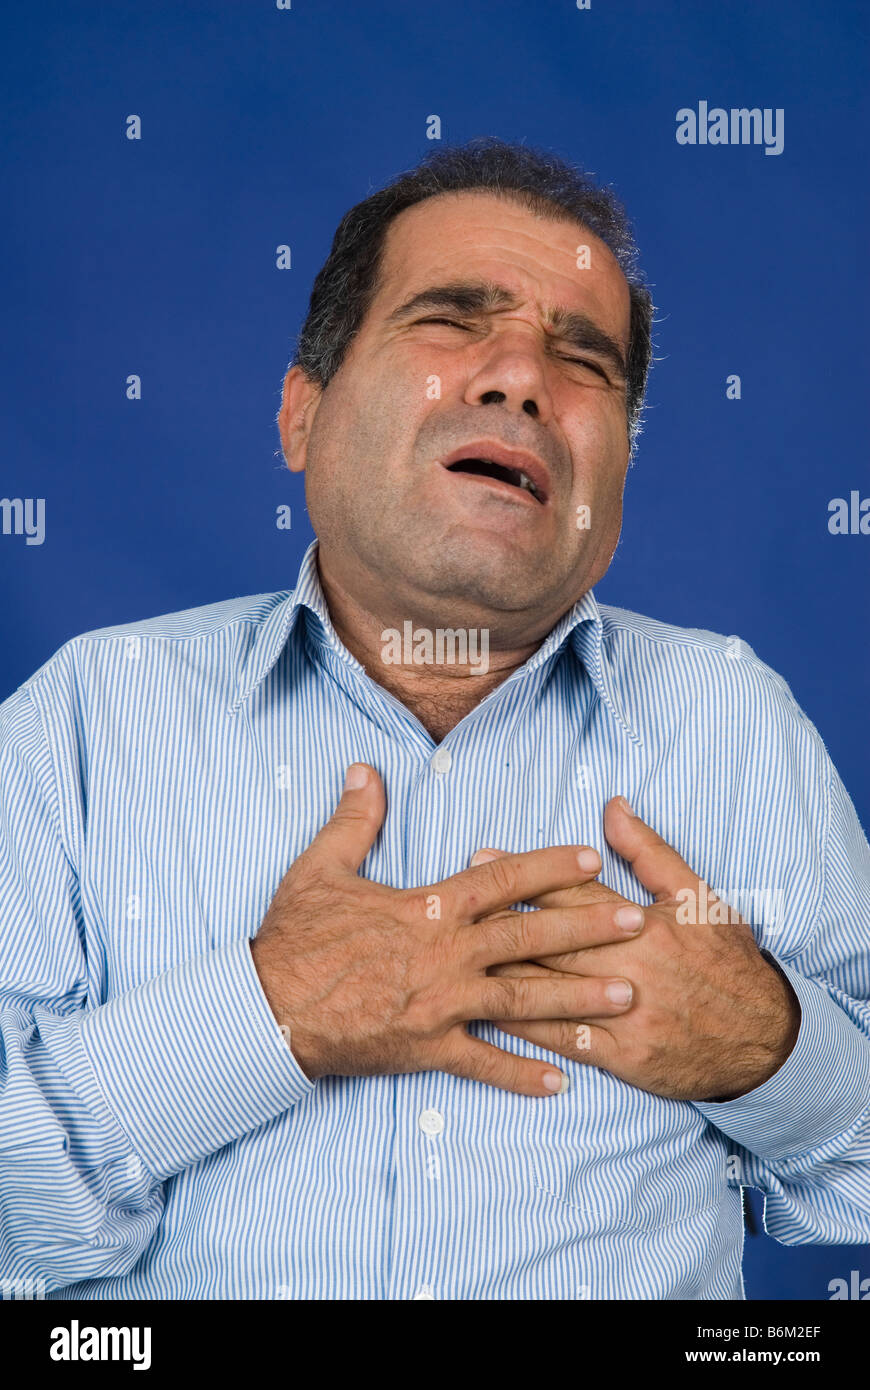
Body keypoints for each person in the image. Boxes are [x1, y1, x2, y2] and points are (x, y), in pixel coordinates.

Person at [1, 139, 868, 1302]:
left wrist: (773, 1047)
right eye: (453, 320)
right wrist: (266, 1015)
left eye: (584, 358)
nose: (520, 378)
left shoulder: (736, 721)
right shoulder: (86, 721)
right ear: (302, 417)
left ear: (613, 488)